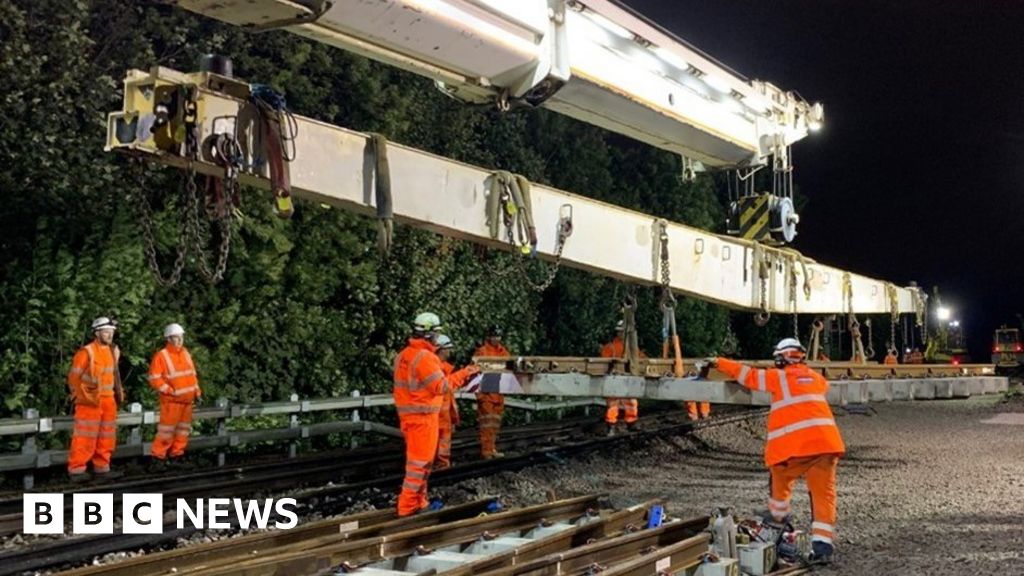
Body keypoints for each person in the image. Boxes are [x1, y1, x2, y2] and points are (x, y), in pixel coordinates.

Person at [707, 338, 845, 565]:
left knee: (780, 481)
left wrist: (718, 361)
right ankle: (822, 549)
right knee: (824, 496)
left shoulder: (777, 377)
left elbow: (747, 375)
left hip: (795, 448)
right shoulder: (815, 378)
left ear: (781, 359)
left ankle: (777, 525)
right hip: (827, 447)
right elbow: (822, 387)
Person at [393, 312, 453, 516]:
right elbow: (441, 386)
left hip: (412, 418)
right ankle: (408, 506)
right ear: (429, 335)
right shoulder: (425, 357)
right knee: (420, 465)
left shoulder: (404, 355)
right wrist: (465, 374)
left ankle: (420, 501)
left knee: (421, 463)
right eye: (436, 333)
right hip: (423, 419)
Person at [66, 317, 124, 482]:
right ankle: (77, 470)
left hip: (108, 400)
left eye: (111, 332)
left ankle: (102, 468)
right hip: (89, 401)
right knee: (85, 437)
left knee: (106, 436)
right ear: (97, 333)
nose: (110, 335)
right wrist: (79, 396)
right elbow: (74, 377)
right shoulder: (87, 352)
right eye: (106, 332)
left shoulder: (113, 351)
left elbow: (114, 376)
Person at [148, 323, 201, 467]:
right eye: (177, 337)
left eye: (181, 337)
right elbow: (154, 378)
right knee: (167, 431)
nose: (180, 340)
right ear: (169, 338)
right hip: (172, 401)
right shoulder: (162, 356)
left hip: (187, 400)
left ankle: (177, 455)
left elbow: (192, 374)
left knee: (182, 431)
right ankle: (158, 457)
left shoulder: (185, 353)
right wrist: (170, 391)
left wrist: (197, 391)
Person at [433, 334, 479, 470]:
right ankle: (438, 463)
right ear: (441, 350)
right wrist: (465, 373)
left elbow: (451, 386)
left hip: (442, 414)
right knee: (436, 440)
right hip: (436, 413)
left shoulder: (440, 367)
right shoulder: (434, 367)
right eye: (447, 349)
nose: (449, 352)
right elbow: (446, 385)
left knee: (442, 441)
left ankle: (442, 463)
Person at [600, 321, 646, 433]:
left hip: (626, 379)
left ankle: (628, 424)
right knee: (614, 404)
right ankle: (612, 426)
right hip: (615, 379)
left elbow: (642, 359)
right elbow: (602, 364)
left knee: (630, 402)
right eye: (621, 332)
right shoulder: (611, 347)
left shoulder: (631, 348)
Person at [474, 325, 510, 459]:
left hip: (498, 392)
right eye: (494, 336)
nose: (496, 339)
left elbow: (508, 368)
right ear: (488, 336)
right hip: (486, 394)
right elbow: (477, 370)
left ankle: (492, 448)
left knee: (494, 425)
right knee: (487, 425)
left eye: (498, 336)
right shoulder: (482, 351)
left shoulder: (503, 351)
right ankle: (487, 451)